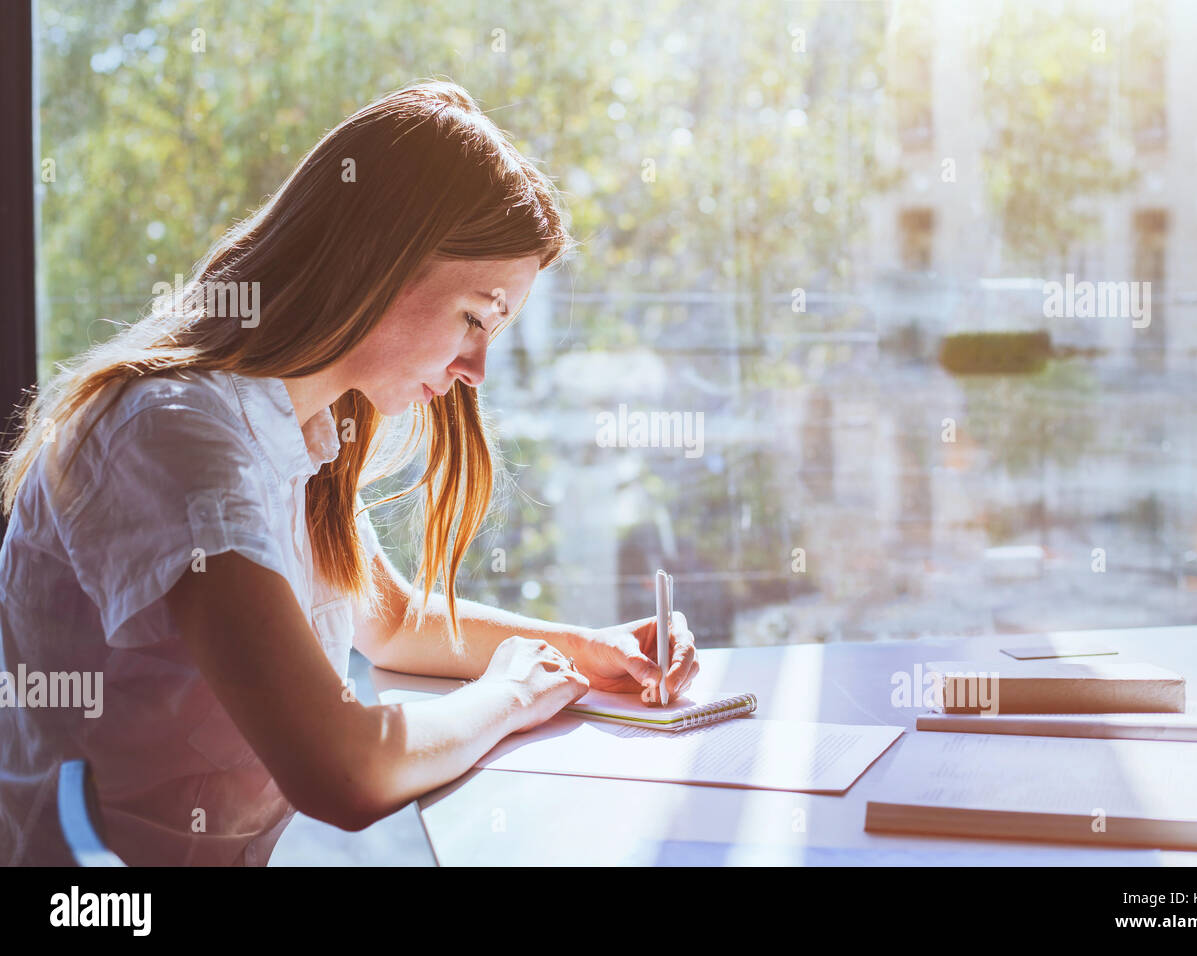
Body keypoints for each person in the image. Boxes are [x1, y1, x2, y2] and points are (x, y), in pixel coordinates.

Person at [0, 79, 698, 866]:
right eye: (475, 315)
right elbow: (347, 771)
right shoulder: (177, 438)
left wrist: (589, 648)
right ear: (378, 260)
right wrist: (510, 695)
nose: (476, 368)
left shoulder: (303, 429)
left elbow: (393, 624)